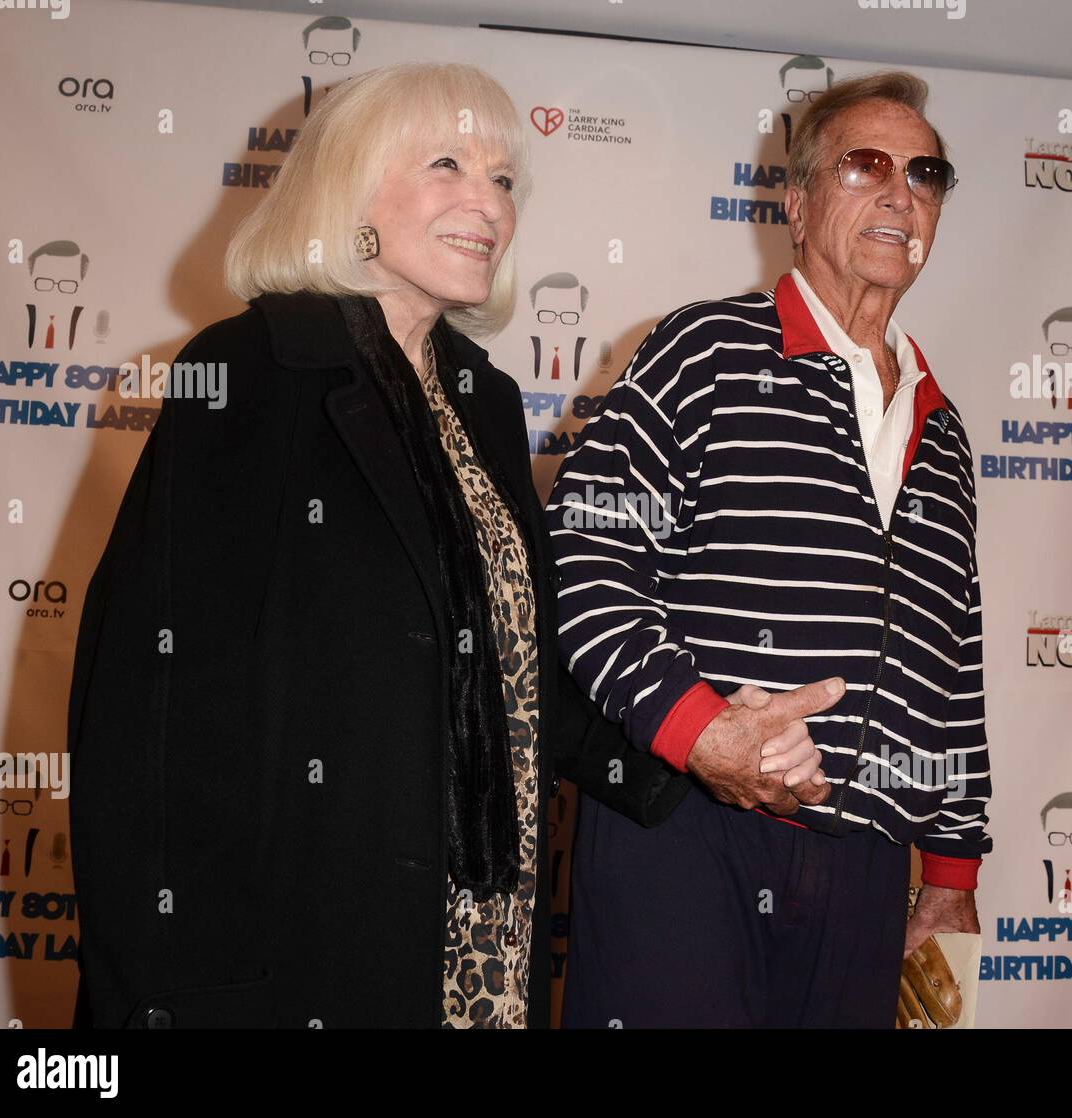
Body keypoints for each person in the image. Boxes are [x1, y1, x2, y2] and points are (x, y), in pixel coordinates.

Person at [66, 61, 831, 1029]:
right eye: (448, 165)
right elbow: (150, 705)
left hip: (477, 937)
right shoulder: (248, 370)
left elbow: (516, 676)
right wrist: (180, 983)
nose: (489, 204)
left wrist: (703, 744)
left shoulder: (482, 401)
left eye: (504, 178)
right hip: (290, 947)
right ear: (350, 189)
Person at [548, 70, 992, 1028]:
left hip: (870, 864)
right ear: (797, 204)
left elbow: (954, 657)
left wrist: (950, 870)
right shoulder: (703, 349)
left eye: (926, 173)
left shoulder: (945, 426)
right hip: (688, 831)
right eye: (865, 164)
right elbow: (583, 556)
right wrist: (698, 730)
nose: (900, 191)